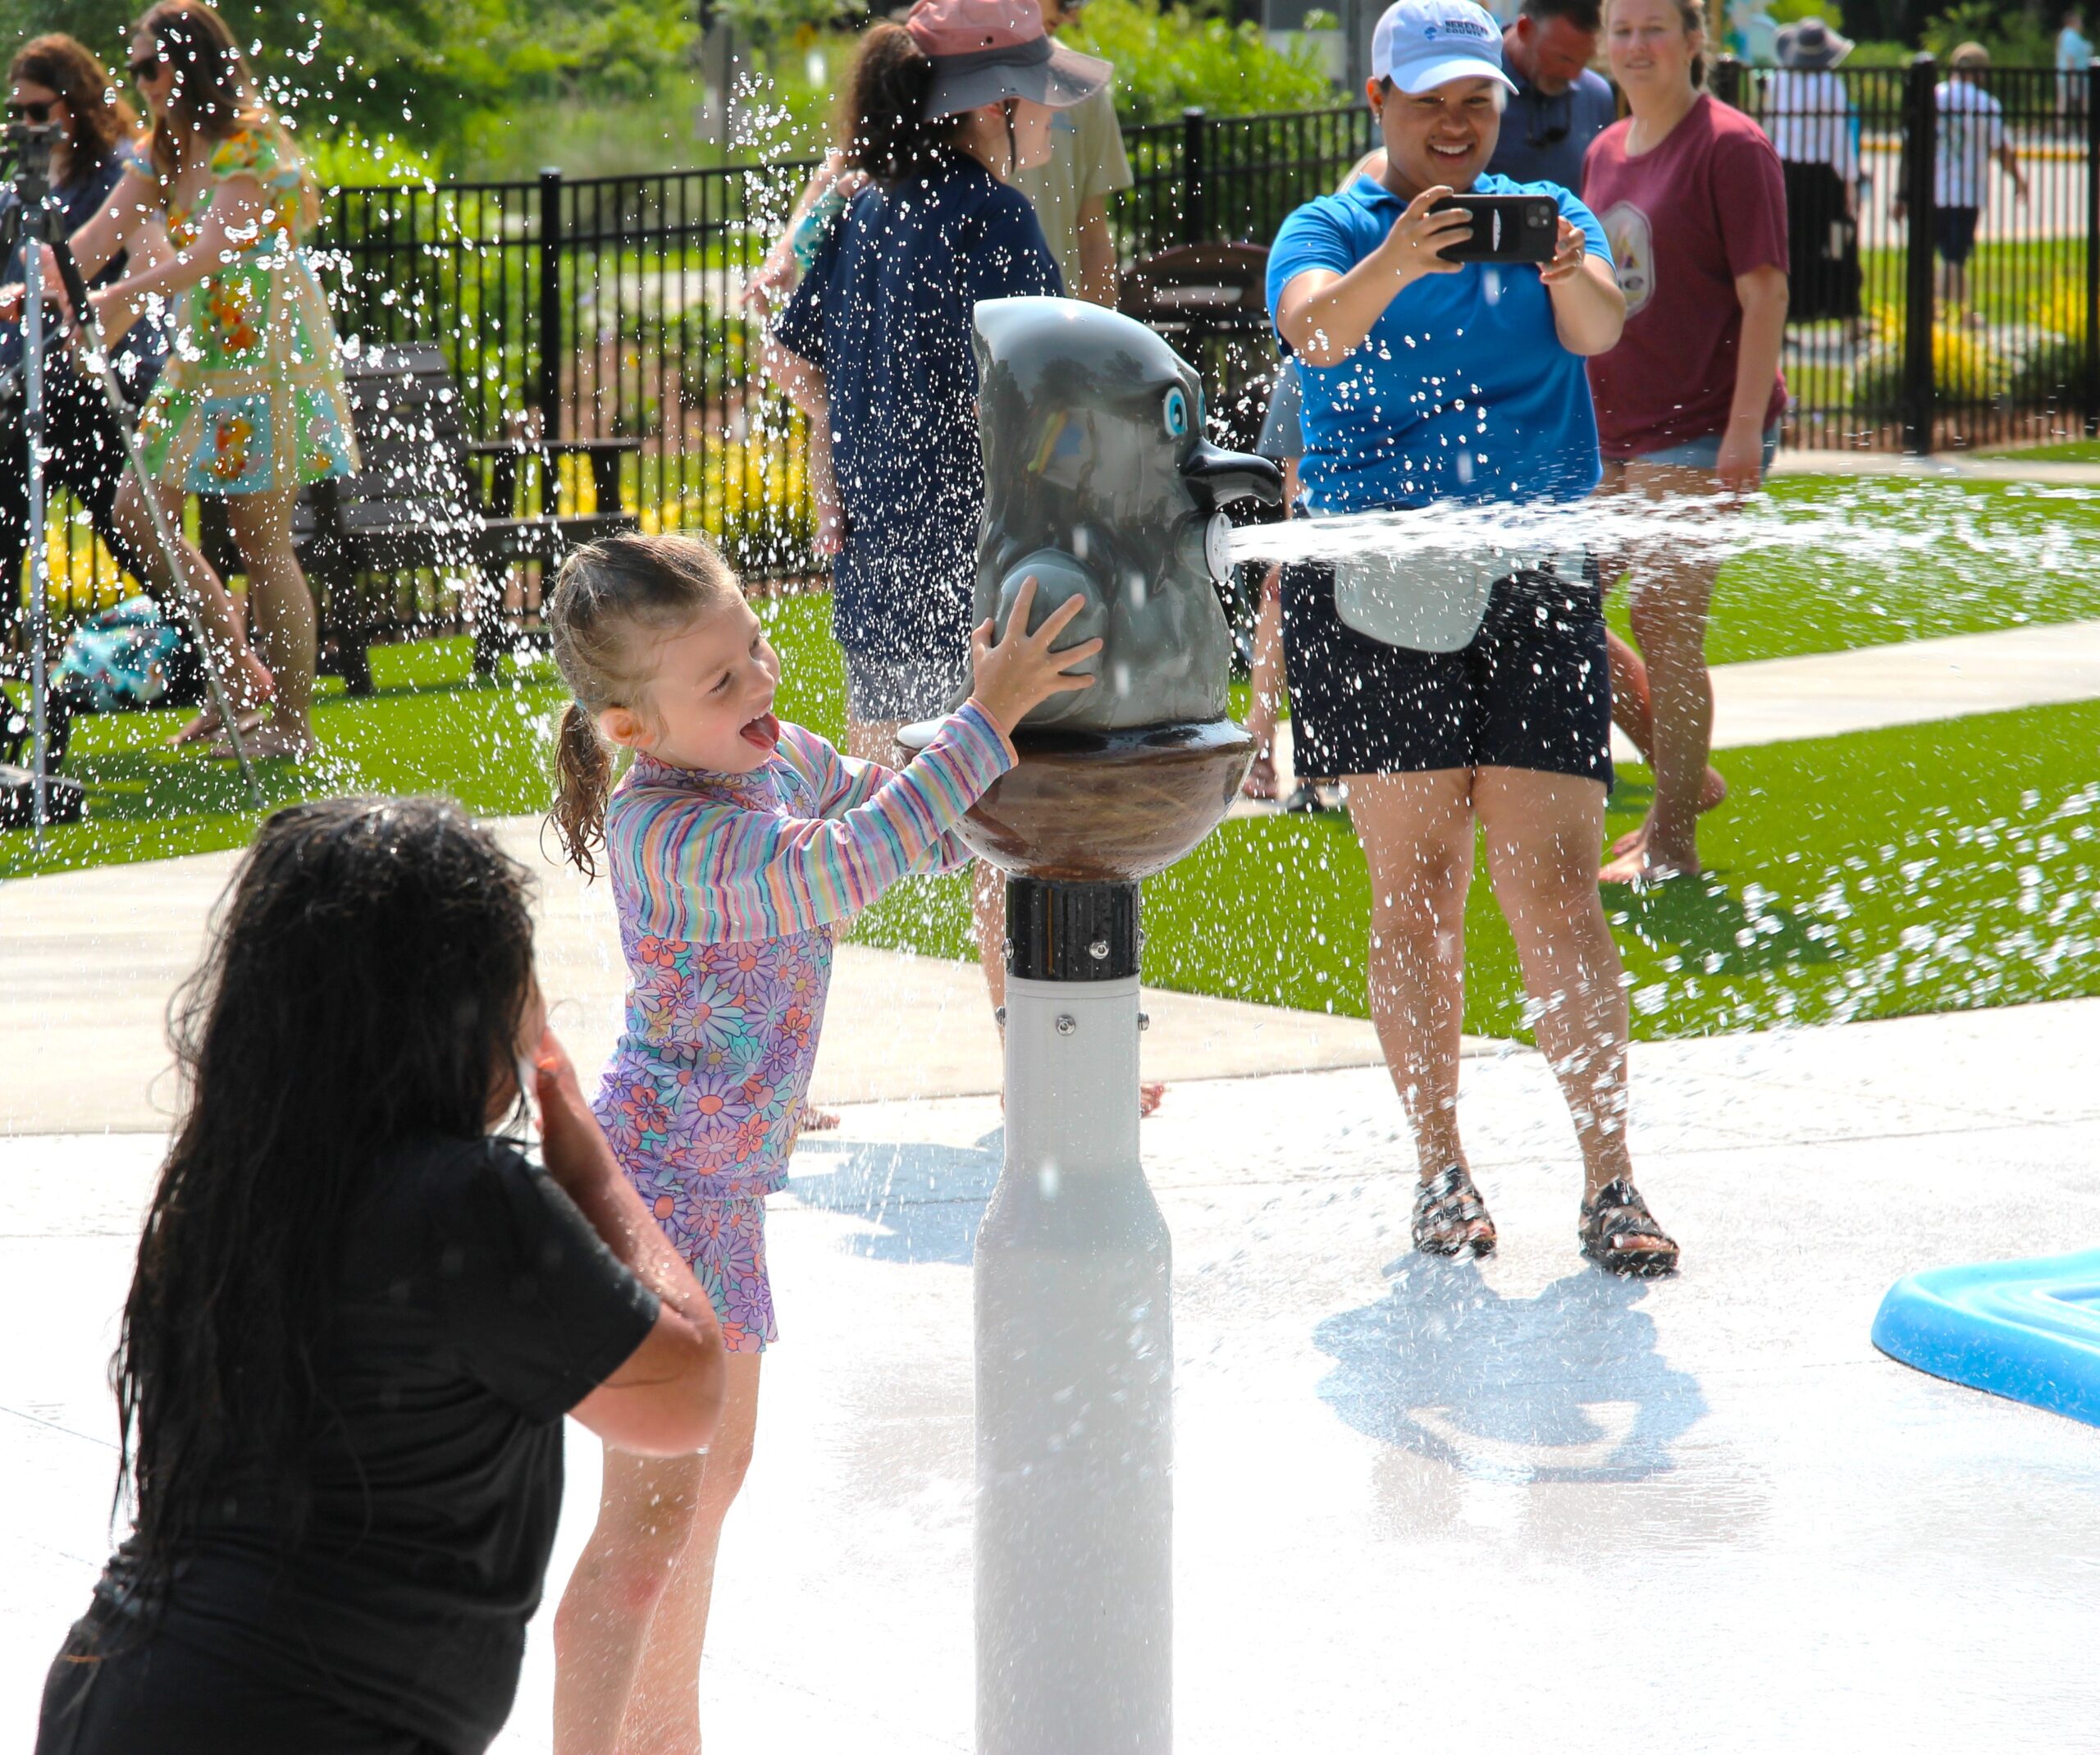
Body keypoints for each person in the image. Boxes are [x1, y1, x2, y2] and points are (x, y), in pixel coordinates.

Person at [541, 532, 1096, 1753]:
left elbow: (922, 826)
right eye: (722, 679)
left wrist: (1028, 750)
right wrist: (979, 724)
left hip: (717, 1189)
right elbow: (844, 867)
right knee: (654, 1518)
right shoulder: (666, 833)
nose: (762, 683)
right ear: (631, 727)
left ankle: (663, 1736)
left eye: (755, 649)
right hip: (658, 1189)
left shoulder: (773, 760)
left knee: (705, 1493)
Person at [34, 793, 727, 1753]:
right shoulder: (466, 1205)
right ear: (460, 1007)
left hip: (120, 1692)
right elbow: (687, 1389)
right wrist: (577, 1135)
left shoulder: (233, 1191)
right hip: (289, 1723)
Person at [1269, 0, 1680, 1274]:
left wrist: (1572, 270)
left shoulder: (1546, 215)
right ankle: (1440, 1168)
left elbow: (1601, 330)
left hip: (1536, 579)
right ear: (1379, 101)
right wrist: (1402, 259)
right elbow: (1313, 329)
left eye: (1478, 101)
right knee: (1420, 887)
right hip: (1383, 591)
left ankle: (1612, 1181)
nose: (1457, 123)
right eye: (1431, 98)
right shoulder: (1331, 229)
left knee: (1555, 883)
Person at [765, 0, 1123, 1090]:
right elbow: (1056, 388)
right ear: (995, 104)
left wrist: (845, 477)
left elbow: (797, 358)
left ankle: (770, 1073)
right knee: (1018, 819)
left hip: (885, 564)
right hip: (988, 568)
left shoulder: (865, 211)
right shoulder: (996, 217)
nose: (1059, 122)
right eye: (1046, 101)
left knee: (846, 836)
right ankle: (1046, 1057)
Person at [52, 0, 358, 760]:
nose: (142, 82)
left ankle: (290, 726)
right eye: (134, 71)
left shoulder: (249, 144)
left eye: (152, 66)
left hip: (268, 355)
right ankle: (234, 674)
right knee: (137, 508)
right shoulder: (161, 154)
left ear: (191, 64)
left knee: (263, 542)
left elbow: (214, 253)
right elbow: (89, 246)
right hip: (205, 357)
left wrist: (118, 295)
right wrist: (40, 280)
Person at [1583, 0, 1788, 884]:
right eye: (1619, 29)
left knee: (1661, 621)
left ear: (1696, 36)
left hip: (1706, 429)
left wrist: (1743, 432)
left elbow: (1766, 294)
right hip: (1614, 431)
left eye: (1652, 27)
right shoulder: (1602, 150)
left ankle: (1671, 844)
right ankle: (1684, 781)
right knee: (1551, 602)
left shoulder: (1730, 146)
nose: (1634, 45)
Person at [1, 37, 168, 647]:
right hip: (26, 385)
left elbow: (150, 267)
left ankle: (214, 655)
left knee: (132, 529)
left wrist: (91, 329)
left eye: (39, 111)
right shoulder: (20, 189)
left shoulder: (121, 171)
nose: (27, 126)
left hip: (103, 382)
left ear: (75, 104)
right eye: (17, 113)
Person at [1893, 43, 2029, 322]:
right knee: (1955, 255)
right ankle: (1947, 312)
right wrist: (2018, 178)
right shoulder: (1986, 104)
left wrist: (1902, 193)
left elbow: (1912, 146)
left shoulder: (1933, 96)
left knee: (1932, 254)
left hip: (1932, 188)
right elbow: (2000, 148)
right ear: (1981, 72)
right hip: (1967, 190)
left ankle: (1947, 310)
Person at [1010, 0, 1132, 306]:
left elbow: (1092, 236)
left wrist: (1101, 338)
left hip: (1055, 323)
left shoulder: (1080, 86)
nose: (1074, 14)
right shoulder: (949, 79)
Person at [1766, 17, 1861, 326]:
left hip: (1786, 172)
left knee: (1791, 245)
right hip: (1823, 175)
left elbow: (1770, 128)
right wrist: (1850, 182)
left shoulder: (1778, 79)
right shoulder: (1830, 83)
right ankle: (1845, 313)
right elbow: (1838, 138)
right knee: (1838, 242)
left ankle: (1790, 316)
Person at [1486, 0, 1617, 190]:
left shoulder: (1596, 96)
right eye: (1563, 58)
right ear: (1525, 29)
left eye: (1584, 61)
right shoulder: (1473, 84)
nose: (1573, 76)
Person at [2057, 10, 2091, 124]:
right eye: (2079, 21)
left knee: (2065, 102)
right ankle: (2087, 129)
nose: (2081, 24)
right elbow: (2070, 58)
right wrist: (2073, 77)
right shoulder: (2070, 36)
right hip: (2074, 75)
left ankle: (2062, 129)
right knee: (2083, 103)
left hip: (2072, 75)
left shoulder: (2068, 35)